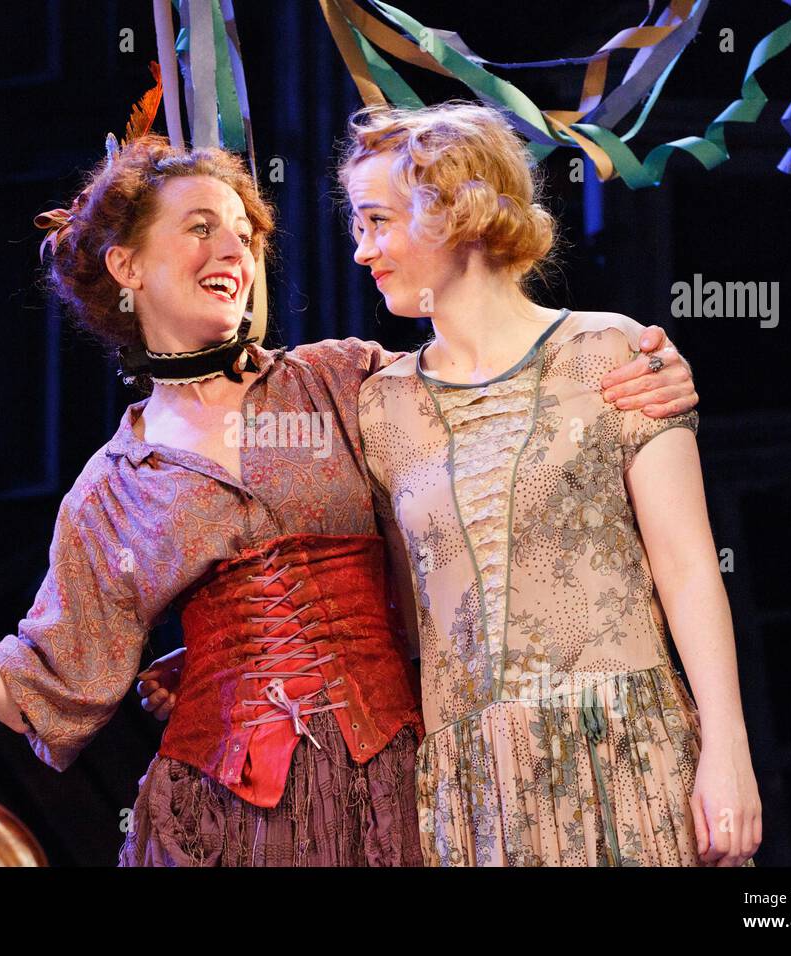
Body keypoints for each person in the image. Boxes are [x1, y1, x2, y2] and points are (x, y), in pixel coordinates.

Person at [0, 130, 698, 866]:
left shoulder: (343, 382)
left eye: (244, 234)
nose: (233, 250)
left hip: (404, 791)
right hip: (225, 817)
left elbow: (493, 393)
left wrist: (635, 364)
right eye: (200, 227)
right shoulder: (115, 492)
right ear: (125, 266)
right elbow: (33, 692)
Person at [141, 102, 759, 867]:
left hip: (626, 751)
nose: (362, 250)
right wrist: (232, 658)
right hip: (475, 789)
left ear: (456, 210)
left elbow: (690, 569)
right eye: (358, 226)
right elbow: (378, 596)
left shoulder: (613, 353)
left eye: (377, 221)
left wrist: (727, 747)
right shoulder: (382, 404)